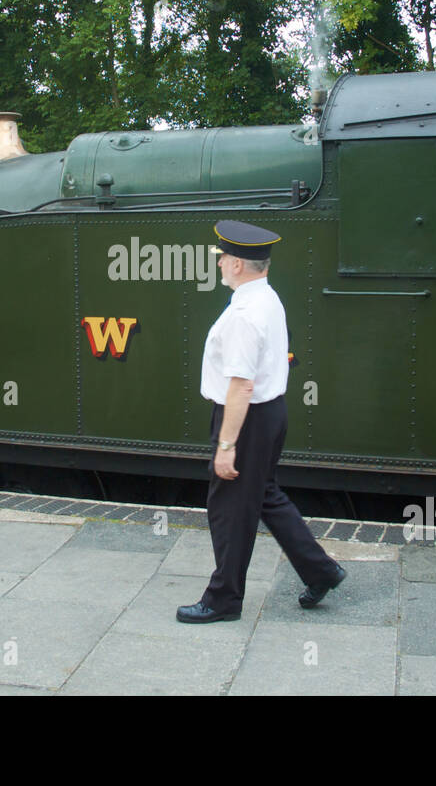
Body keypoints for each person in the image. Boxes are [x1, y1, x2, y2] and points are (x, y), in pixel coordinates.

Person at [177, 220, 346, 624]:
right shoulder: (266, 298)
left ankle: (223, 600)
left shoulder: (244, 313)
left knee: (229, 509)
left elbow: (241, 386)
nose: (218, 265)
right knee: (265, 495)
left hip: (245, 418)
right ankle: (322, 570)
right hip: (270, 414)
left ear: (236, 264)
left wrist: (226, 445)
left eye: (222, 260)